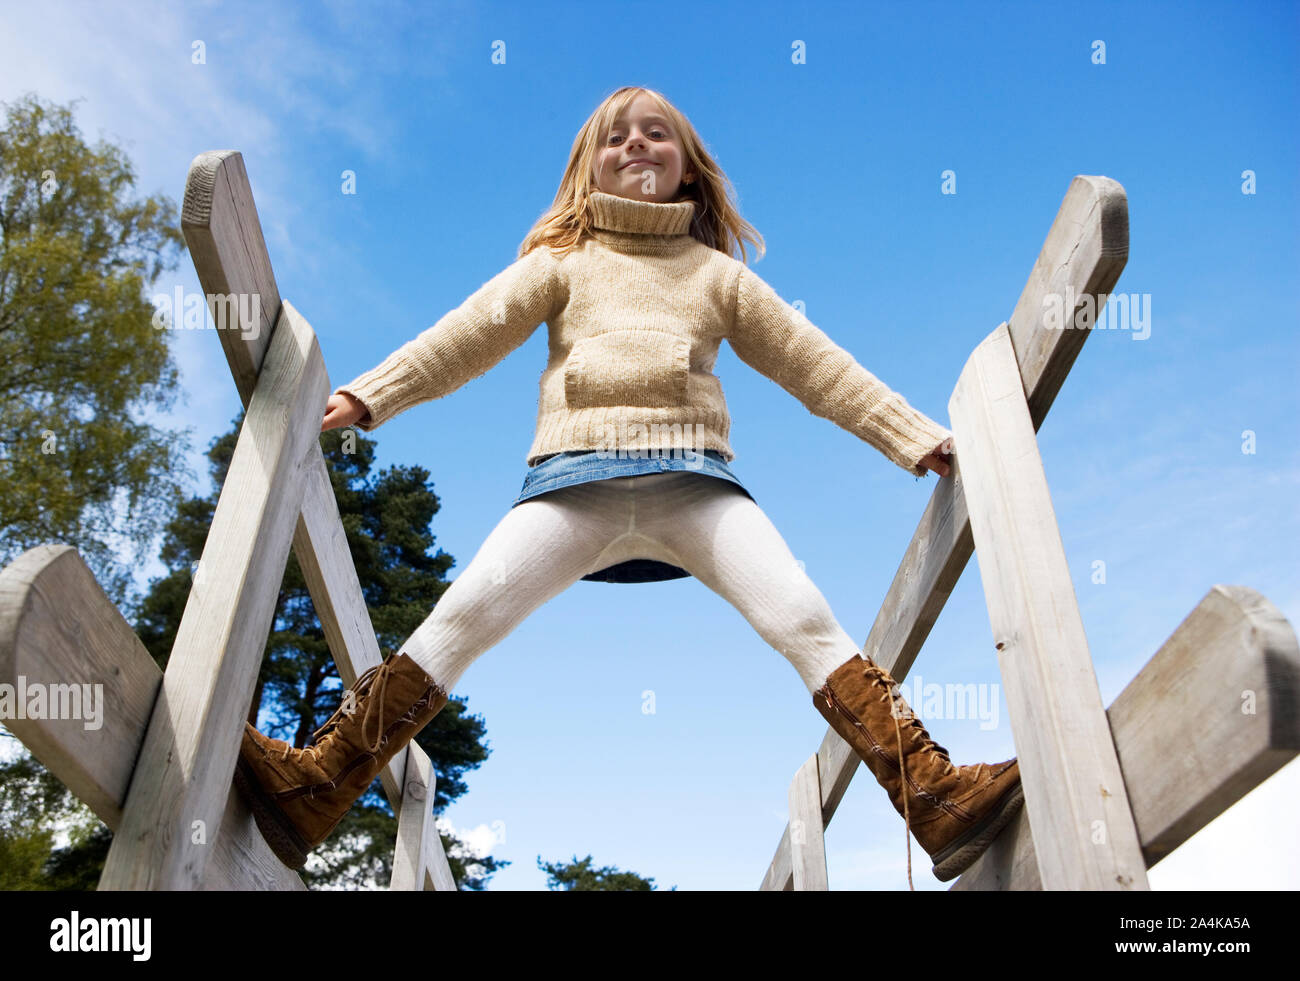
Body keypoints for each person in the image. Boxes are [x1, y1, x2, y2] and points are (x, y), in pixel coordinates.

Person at [232, 86, 1023, 888]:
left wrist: (909, 433)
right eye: (616, 138)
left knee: (804, 616)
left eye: (657, 135)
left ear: (687, 170)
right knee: (461, 617)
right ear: (590, 167)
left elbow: (812, 363)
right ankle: (314, 786)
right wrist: (373, 395)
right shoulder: (561, 264)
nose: (636, 145)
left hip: (696, 484)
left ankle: (935, 793)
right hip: (572, 484)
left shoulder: (717, 276)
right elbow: (466, 336)